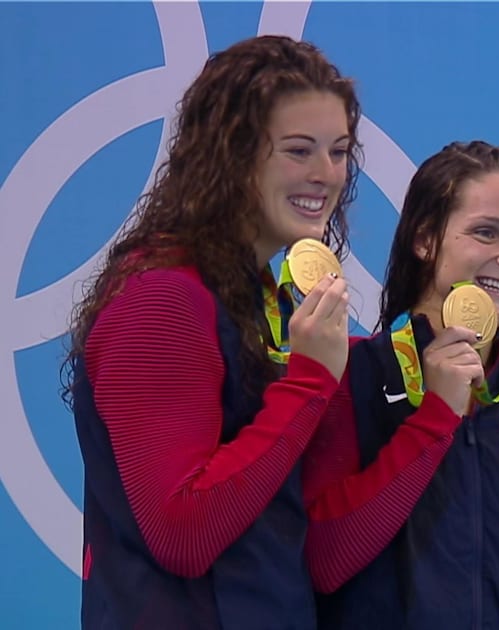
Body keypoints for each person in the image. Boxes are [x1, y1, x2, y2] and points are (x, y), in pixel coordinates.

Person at [63, 35, 359, 628]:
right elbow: (182, 532)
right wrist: (309, 382)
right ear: (232, 154)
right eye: (299, 151)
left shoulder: (253, 294)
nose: (326, 174)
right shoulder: (162, 299)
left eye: (339, 151)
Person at [302, 140, 499, 630]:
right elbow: (324, 559)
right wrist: (434, 418)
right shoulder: (354, 376)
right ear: (425, 239)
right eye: (485, 233)